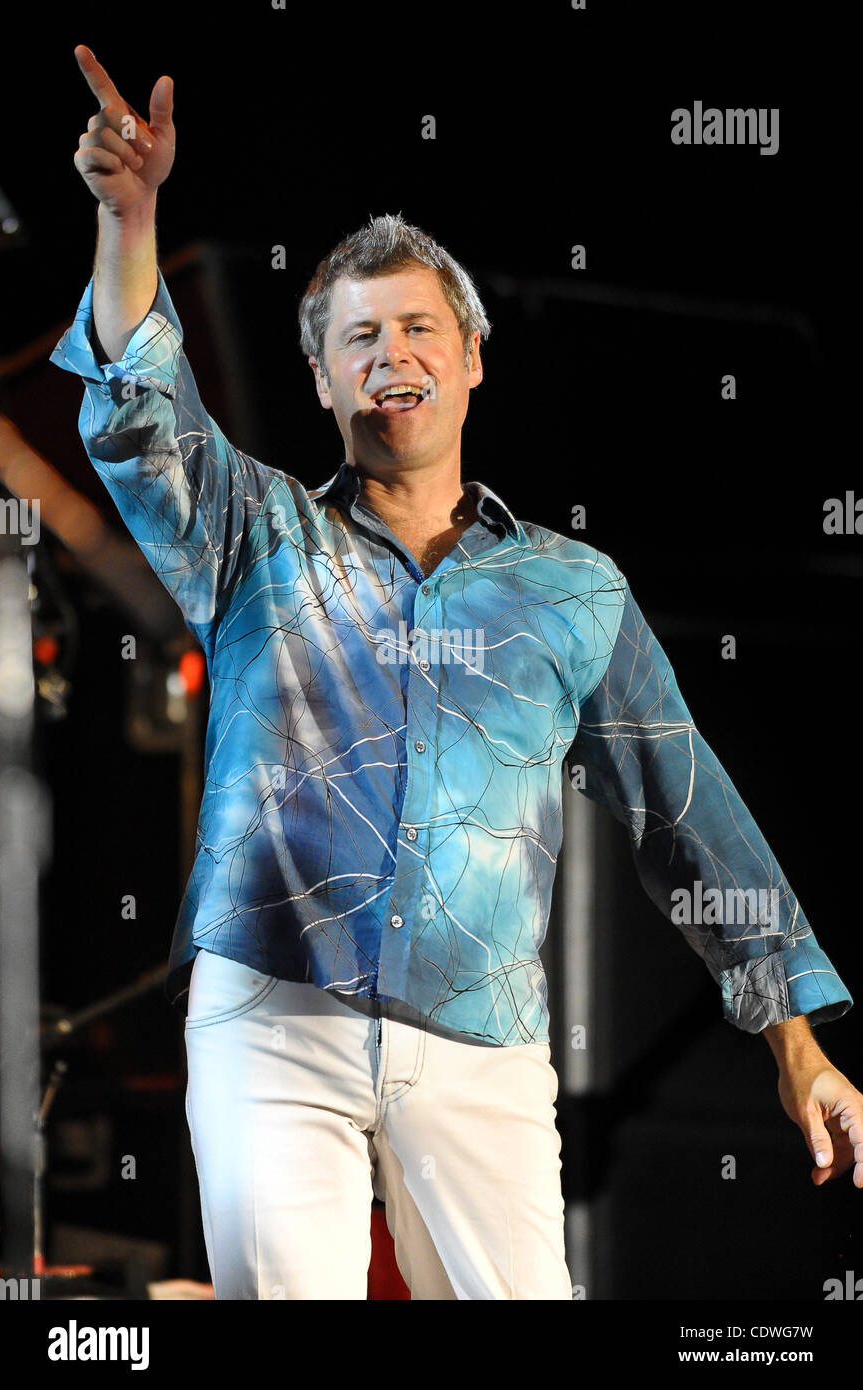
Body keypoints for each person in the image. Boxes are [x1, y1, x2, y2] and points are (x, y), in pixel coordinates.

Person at [51, 45, 863, 1300]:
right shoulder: (257, 536)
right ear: (321, 379)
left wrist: (792, 1043)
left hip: (483, 1036)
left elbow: (687, 814)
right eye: (357, 336)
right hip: (276, 1003)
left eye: (418, 326)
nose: (391, 352)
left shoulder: (573, 590)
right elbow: (139, 413)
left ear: (472, 359)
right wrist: (130, 215)